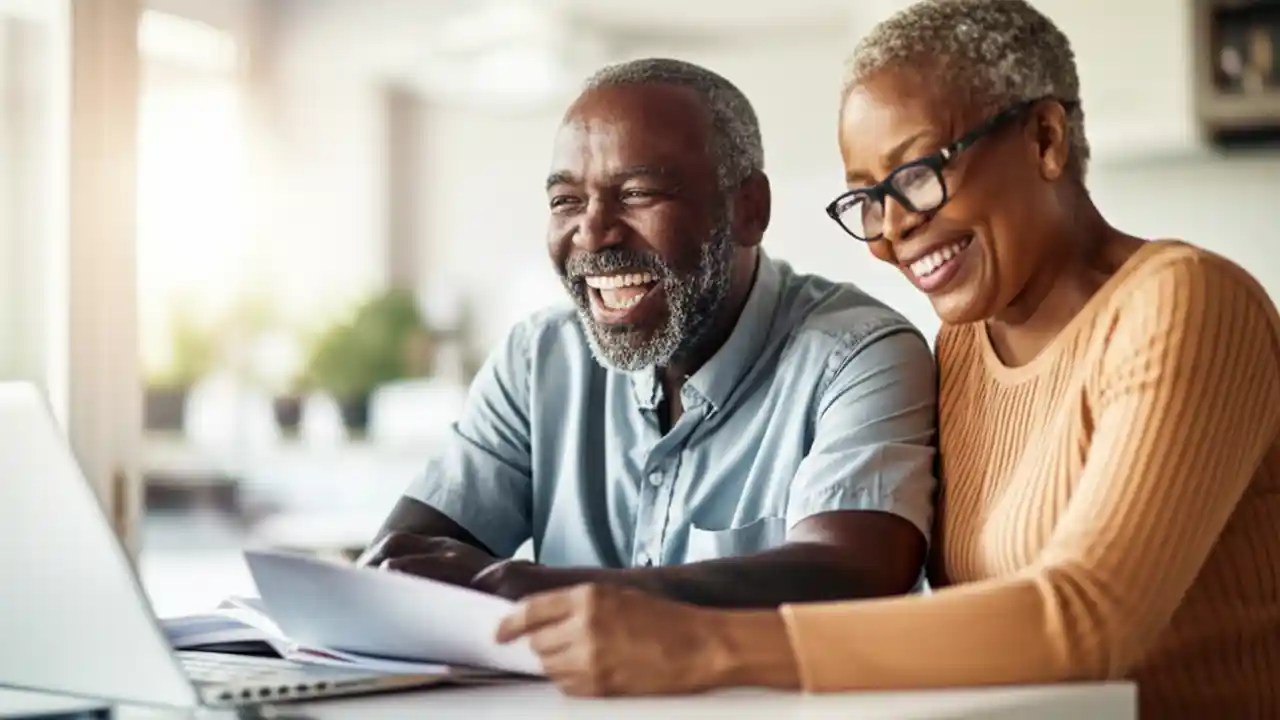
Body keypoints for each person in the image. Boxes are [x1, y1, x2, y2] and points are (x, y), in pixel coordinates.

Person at [493, 2, 1280, 717]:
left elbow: (1084, 618)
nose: (887, 232)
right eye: (866, 197)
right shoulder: (966, 344)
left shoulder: (1185, 302)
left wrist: (700, 642)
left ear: (1045, 138)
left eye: (916, 176)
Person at [358, 58, 938, 609]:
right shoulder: (538, 360)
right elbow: (403, 563)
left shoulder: (859, 353)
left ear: (747, 209)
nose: (593, 233)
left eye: (637, 194)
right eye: (566, 201)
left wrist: (523, 588)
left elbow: (852, 571)